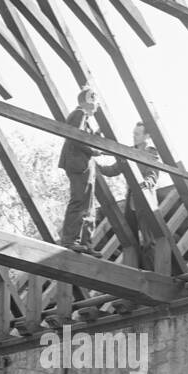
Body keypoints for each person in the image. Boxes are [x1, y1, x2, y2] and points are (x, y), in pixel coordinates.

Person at [57, 87, 116, 252]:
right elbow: (77, 139)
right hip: (78, 163)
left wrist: (96, 137)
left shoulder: (84, 118)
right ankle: (70, 240)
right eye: (95, 102)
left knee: (88, 206)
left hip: (84, 164)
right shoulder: (79, 114)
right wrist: (95, 150)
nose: (97, 106)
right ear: (89, 101)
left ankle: (86, 243)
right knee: (79, 201)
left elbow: (84, 138)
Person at [102, 120, 162, 269]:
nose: (134, 137)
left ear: (146, 136)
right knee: (130, 238)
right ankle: (134, 269)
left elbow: (153, 173)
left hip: (145, 199)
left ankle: (151, 271)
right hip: (131, 199)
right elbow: (113, 170)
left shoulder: (151, 152)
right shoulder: (129, 151)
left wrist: (147, 183)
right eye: (133, 134)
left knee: (149, 240)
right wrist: (96, 166)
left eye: (137, 134)